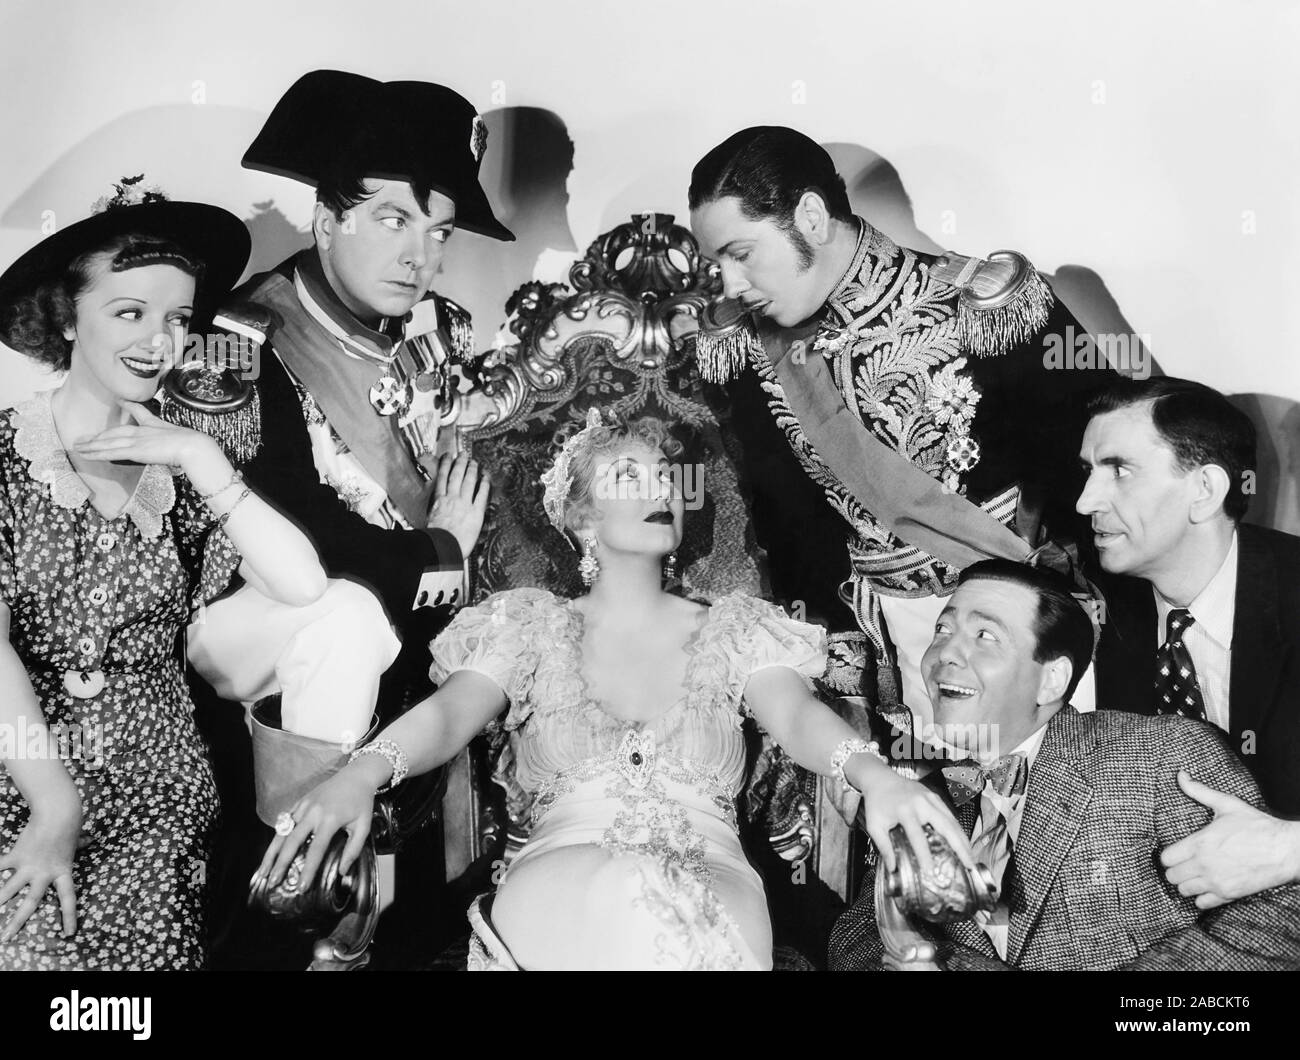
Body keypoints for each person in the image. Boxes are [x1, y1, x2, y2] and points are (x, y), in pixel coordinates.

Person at [255, 410, 976, 970]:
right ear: (578, 517)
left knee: (652, 900)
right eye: (628, 477)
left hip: (711, 877)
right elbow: (446, 718)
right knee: (624, 896)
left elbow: (796, 716)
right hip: (558, 877)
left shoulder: (738, 628)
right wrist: (360, 774)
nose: (659, 490)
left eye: (665, 478)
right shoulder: (526, 624)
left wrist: (876, 775)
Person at [190, 71, 511, 967]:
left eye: (438, 230)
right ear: (329, 219)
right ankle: (301, 897)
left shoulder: (437, 328)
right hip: (260, 647)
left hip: (397, 651)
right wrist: (443, 549)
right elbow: (296, 532)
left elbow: (464, 474)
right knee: (345, 618)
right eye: (394, 219)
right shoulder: (238, 338)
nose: (420, 253)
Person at [0, 185, 328, 969]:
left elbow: (304, 585)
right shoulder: (7, 455)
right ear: (66, 314)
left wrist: (199, 457)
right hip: (23, 783)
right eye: (129, 312)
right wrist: (52, 802)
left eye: (179, 319)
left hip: (158, 795)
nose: (160, 340)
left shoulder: (179, 468)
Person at [688, 127, 1107, 732]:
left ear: (810, 216)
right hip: (890, 652)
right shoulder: (753, 351)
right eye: (717, 262)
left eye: (741, 252)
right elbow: (794, 531)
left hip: (1030, 633)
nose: (729, 285)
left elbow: (1105, 465)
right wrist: (839, 671)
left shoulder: (983, 306)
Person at [828, 560, 1300, 971]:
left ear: (1051, 679)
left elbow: (1280, 917)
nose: (944, 654)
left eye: (985, 635)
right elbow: (854, 937)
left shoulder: (1160, 752)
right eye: (943, 630)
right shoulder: (927, 795)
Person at [1080, 376, 1300, 906]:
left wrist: (1287, 849)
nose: (1086, 500)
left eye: (1119, 471)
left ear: (1204, 490)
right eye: (1088, 471)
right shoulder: (1097, 607)